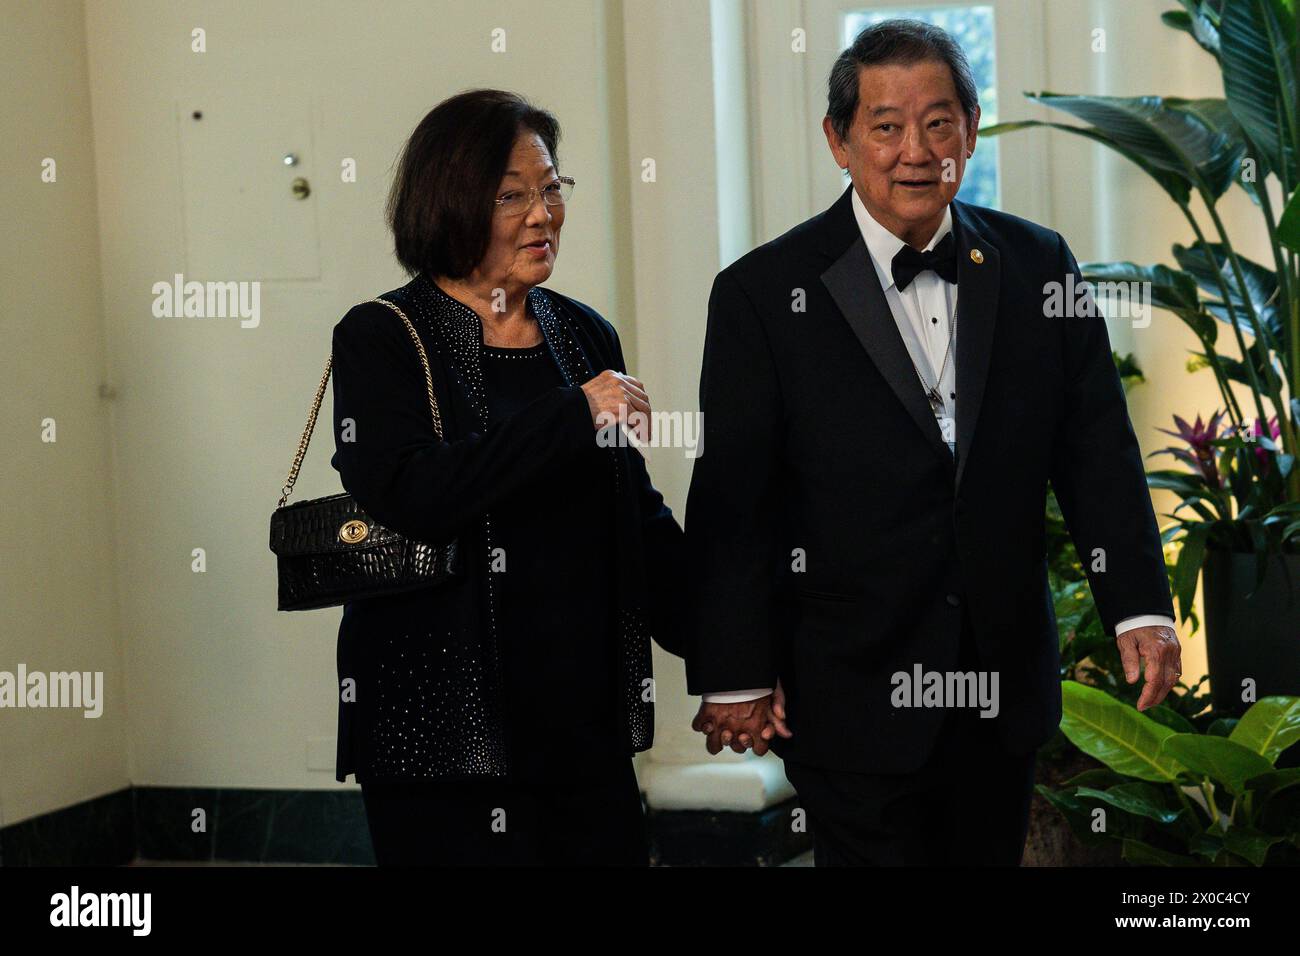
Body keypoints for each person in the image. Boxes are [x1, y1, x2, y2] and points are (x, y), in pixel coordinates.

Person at [685, 19, 1182, 866]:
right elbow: (736, 496)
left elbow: (1097, 448)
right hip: (846, 688)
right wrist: (735, 669)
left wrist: (1137, 604)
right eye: (885, 126)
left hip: (1002, 685)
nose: (915, 150)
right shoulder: (763, 294)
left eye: (939, 122)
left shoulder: (1039, 265)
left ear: (971, 129)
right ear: (839, 141)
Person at [329, 88, 684, 866]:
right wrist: (570, 414)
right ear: (451, 203)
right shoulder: (383, 335)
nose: (543, 213)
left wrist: (737, 662)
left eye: (552, 188)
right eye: (512, 195)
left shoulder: (582, 331)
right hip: (442, 735)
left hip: (581, 721)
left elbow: (636, 516)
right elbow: (413, 493)